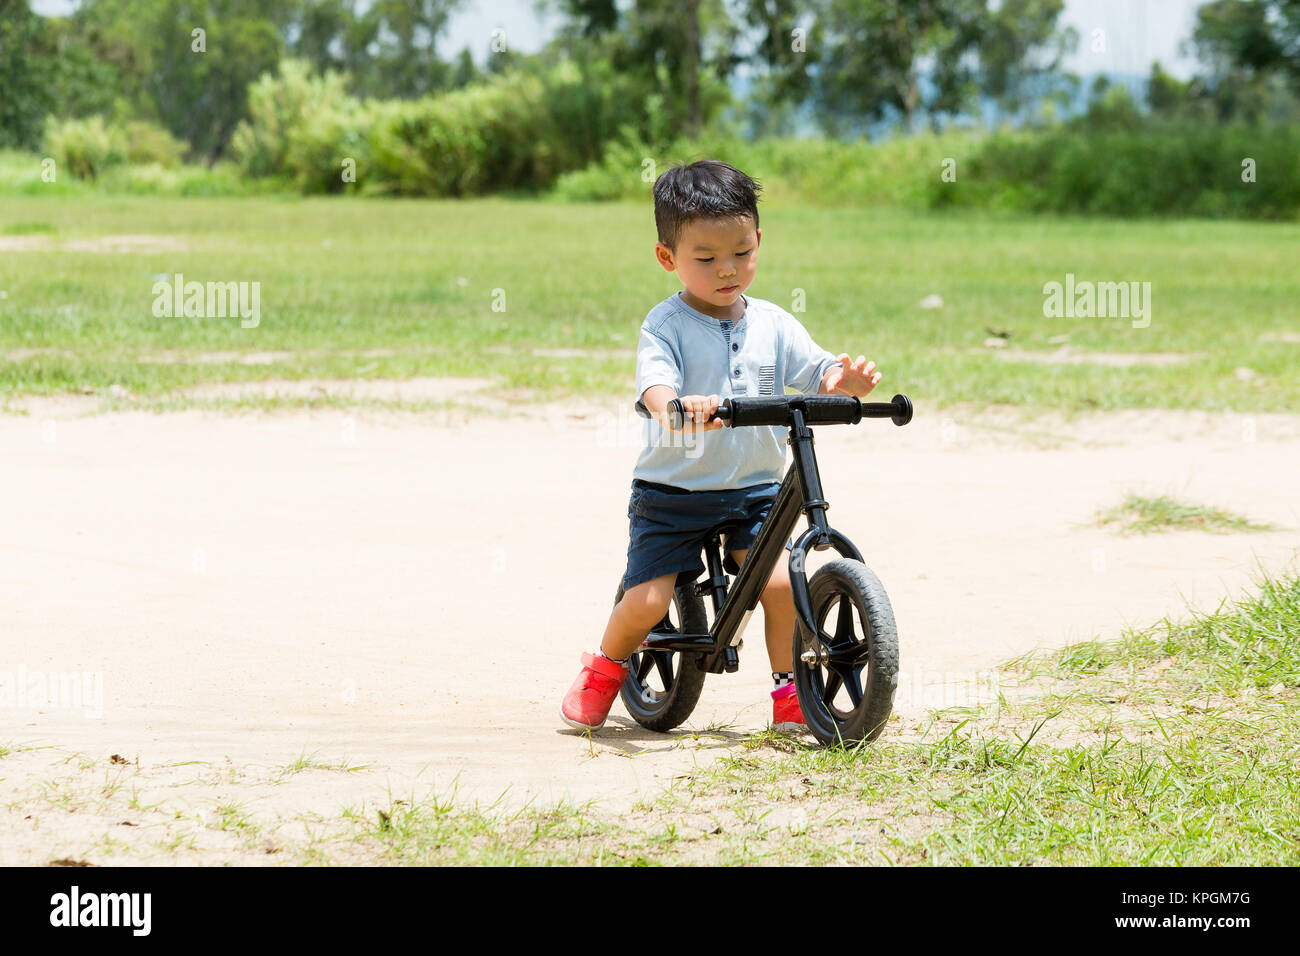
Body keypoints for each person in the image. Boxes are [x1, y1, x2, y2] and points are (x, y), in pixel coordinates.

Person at [560, 159, 883, 733]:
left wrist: (841, 382)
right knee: (649, 602)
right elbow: (655, 386)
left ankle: (790, 690)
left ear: (759, 240)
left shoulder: (775, 324)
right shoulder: (666, 325)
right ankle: (606, 668)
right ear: (669, 259)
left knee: (782, 584)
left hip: (754, 492)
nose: (727, 269)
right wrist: (675, 410)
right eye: (706, 259)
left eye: (742, 252)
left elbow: (814, 371)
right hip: (673, 496)